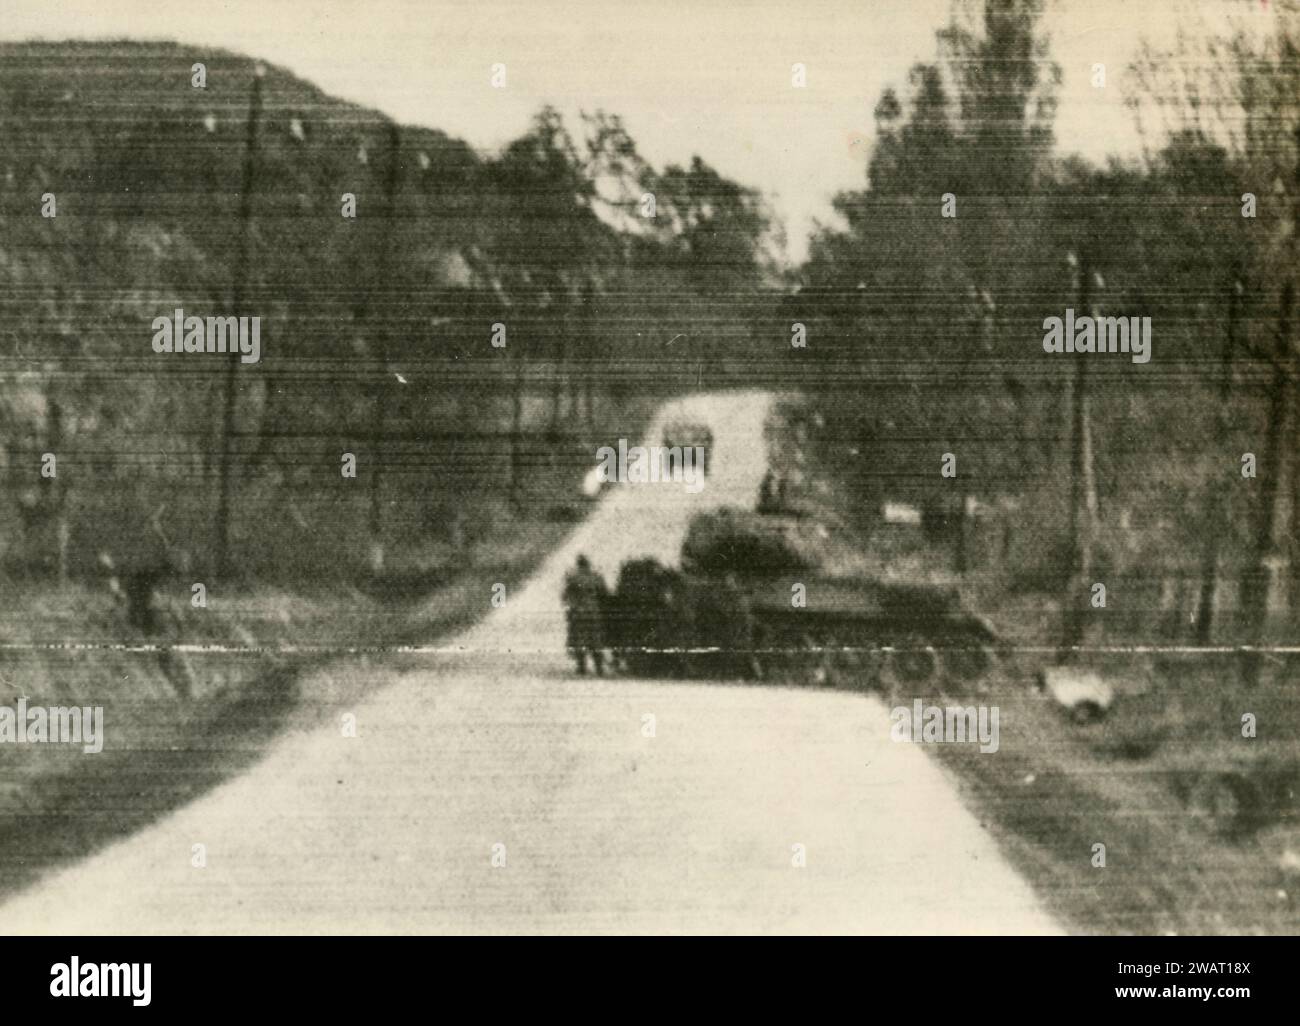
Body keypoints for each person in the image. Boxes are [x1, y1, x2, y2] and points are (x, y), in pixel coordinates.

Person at [562, 554, 608, 675]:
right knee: (595, 639)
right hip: (594, 612)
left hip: (579, 613)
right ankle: (599, 668)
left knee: (579, 639)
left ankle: (581, 667)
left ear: (578, 564)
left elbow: (566, 596)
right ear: (588, 564)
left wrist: (570, 609)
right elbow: (604, 594)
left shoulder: (573, 578)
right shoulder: (596, 577)